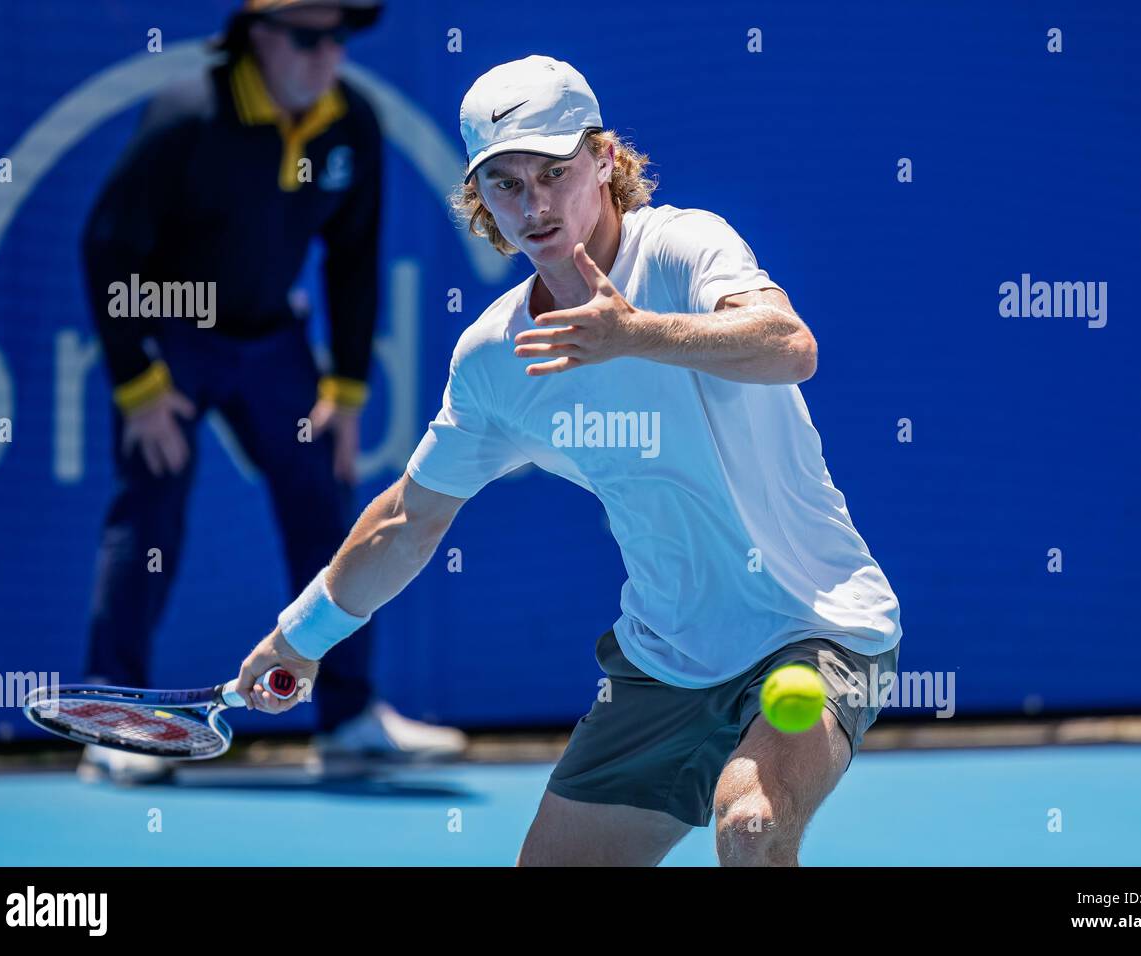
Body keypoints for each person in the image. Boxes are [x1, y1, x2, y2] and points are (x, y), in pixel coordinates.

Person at [236, 55, 902, 866]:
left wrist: (637, 333)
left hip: (822, 624)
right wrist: (301, 636)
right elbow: (412, 518)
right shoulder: (493, 357)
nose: (536, 204)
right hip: (667, 658)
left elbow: (790, 346)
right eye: (507, 184)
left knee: (750, 823)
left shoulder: (686, 249)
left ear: (606, 161)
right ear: (481, 201)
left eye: (554, 171)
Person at [78, 0, 465, 784]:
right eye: (306, 37)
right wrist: (140, 384)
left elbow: (353, 261)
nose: (328, 54)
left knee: (327, 499)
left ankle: (348, 717)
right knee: (150, 512)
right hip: (172, 332)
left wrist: (348, 393)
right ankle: (111, 725)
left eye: (339, 37)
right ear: (257, 36)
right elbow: (106, 247)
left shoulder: (349, 120)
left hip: (272, 341)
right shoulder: (188, 115)